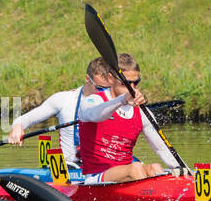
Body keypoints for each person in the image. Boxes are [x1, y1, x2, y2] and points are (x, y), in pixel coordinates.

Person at [76, 54, 184, 183]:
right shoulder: (92, 101)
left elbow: (161, 148)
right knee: (135, 168)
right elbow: (95, 115)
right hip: (96, 177)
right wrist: (122, 100)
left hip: (127, 176)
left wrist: (182, 169)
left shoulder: (142, 112)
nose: (132, 88)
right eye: (126, 83)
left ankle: (164, 200)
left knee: (155, 168)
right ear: (110, 79)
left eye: (136, 82)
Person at [4, 58, 118, 171]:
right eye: (100, 88)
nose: (104, 93)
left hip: (101, 164)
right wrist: (18, 126)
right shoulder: (63, 99)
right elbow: (25, 119)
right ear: (87, 79)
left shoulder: (116, 102)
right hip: (68, 166)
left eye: (108, 89)